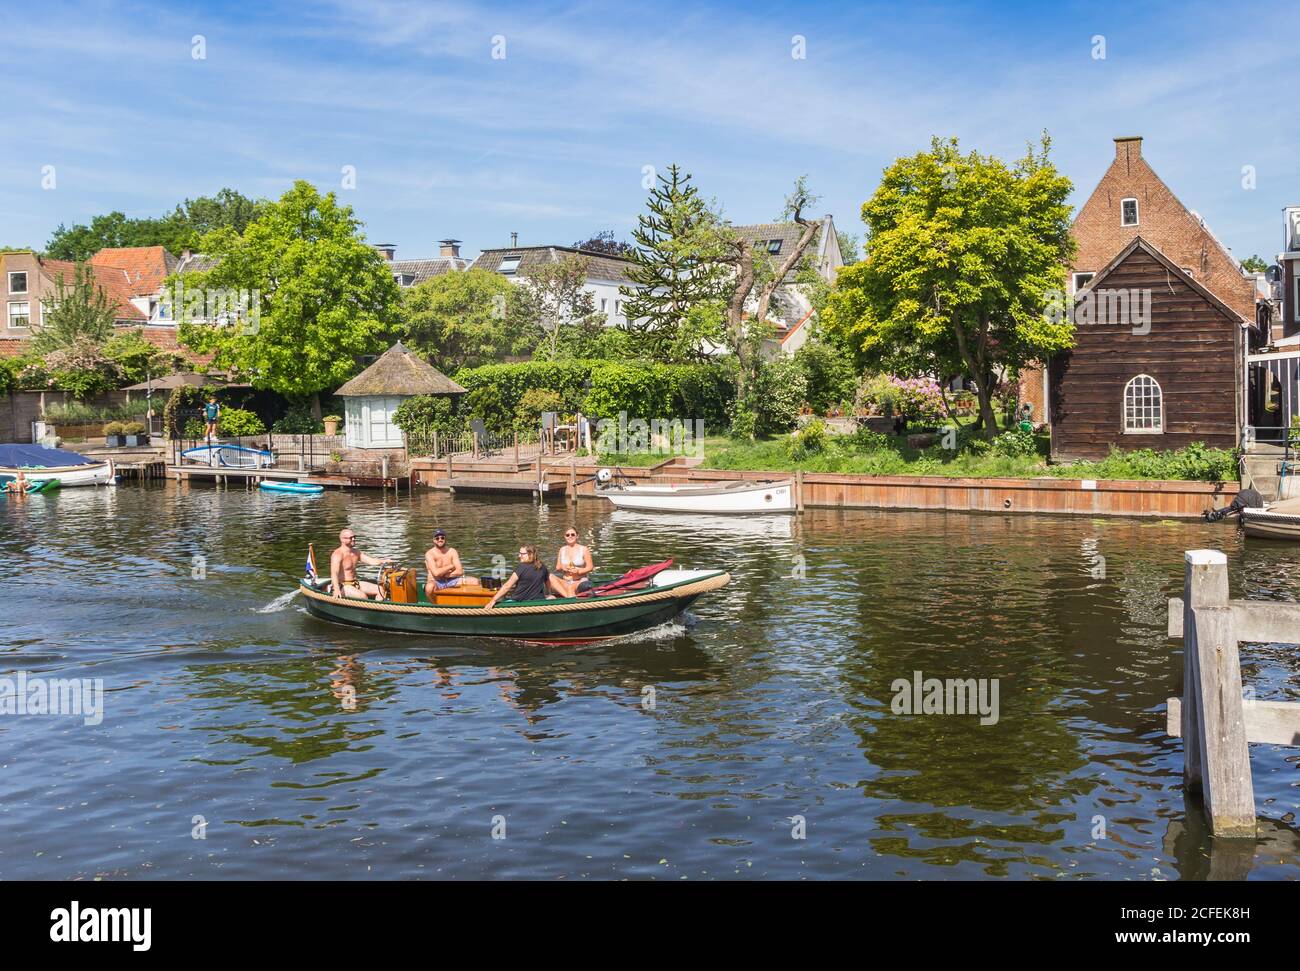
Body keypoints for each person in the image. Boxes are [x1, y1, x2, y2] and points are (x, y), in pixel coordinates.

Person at [483, 545, 570, 609]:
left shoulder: (521, 567)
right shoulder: (542, 567)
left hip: (519, 602)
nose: (519, 556)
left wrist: (493, 600)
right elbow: (547, 582)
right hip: (537, 601)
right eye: (519, 553)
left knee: (502, 598)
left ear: (530, 554)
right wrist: (549, 594)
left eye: (522, 554)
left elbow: (507, 586)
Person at [329, 528, 390, 600]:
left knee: (379, 589)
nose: (353, 539)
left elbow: (371, 561)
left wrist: (384, 561)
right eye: (351, 538)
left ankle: (378, 609)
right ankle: (368, 610)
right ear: (343, 540)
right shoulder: (337, 554)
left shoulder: (356, 552)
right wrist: (336, 589)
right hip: (342, 585)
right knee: (363, 596)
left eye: (354, 537)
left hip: (355, 583)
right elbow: (334, 573)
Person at [424, 529, 466, 599]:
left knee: (475, 582)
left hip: (452, 580)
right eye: (437, 538)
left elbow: (460, 571)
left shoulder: (452, 551)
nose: (440, 539)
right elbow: (436, 573)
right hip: (436, 582)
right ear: (434, 540)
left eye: (442, 538)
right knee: (429, 588)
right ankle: (435, 607)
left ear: (445, 539)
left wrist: (447, 575)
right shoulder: (429, 554)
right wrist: (451, 566)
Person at [555, 526, 594, 594]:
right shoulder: (562, 549)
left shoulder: (584, 549)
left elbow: (590, 567)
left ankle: (569, 600)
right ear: (565, 537)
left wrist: (578, 571)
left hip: (580, 580)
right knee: (549, 577)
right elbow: (558, 567)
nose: (570, 536)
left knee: (570, 588)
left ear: (577, 536)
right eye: (567, 535)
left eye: (572, 534)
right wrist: (563, 567)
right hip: (566, 580)